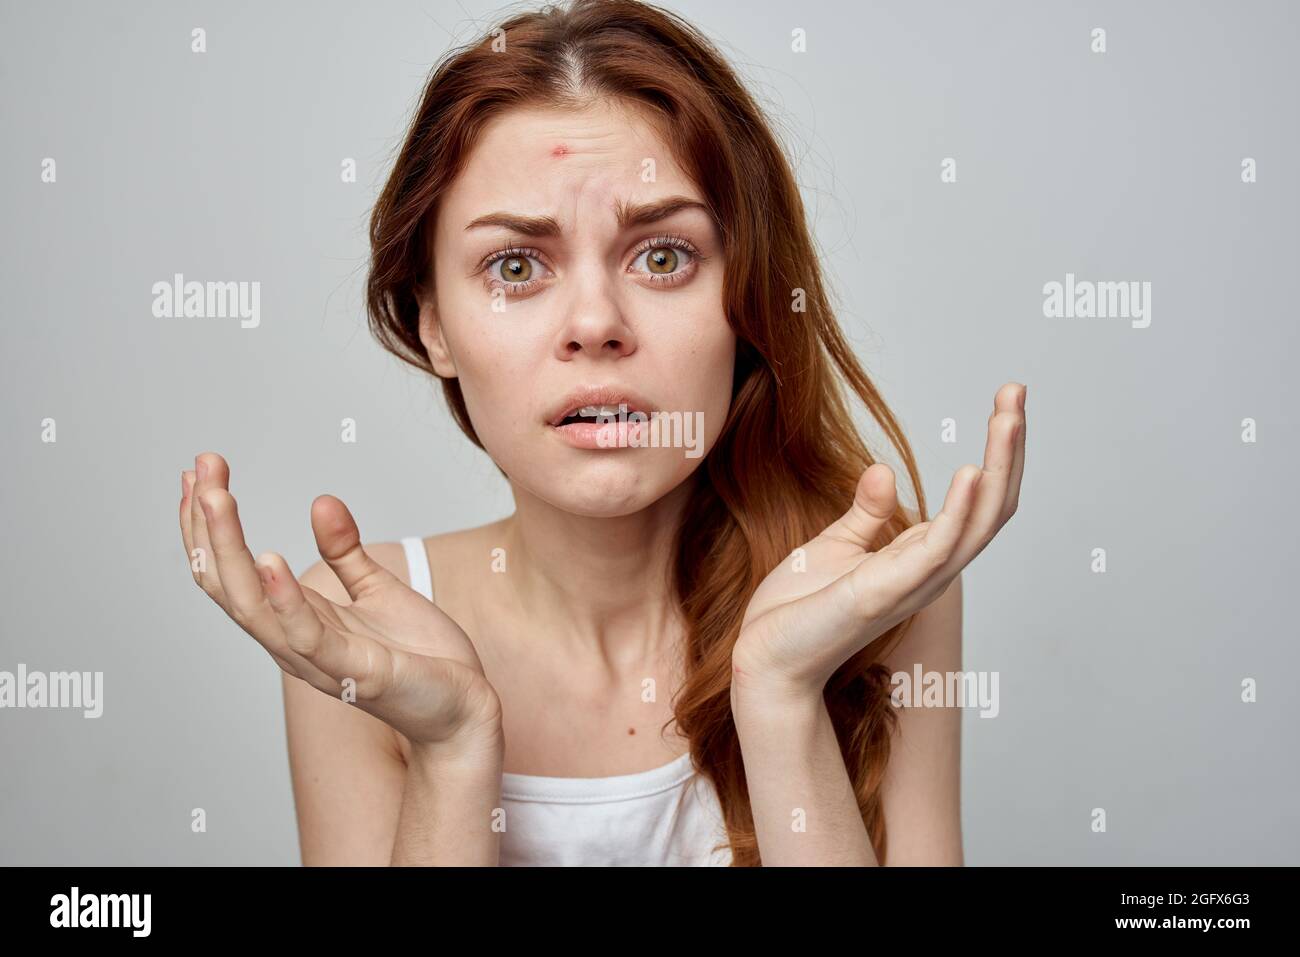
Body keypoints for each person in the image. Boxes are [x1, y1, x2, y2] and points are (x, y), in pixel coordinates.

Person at [178, 0, 1026, 866]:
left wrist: (778, 697)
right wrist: (453, 747)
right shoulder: (360, 629)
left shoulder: (877, 594)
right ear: (434, 325)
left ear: (750, 302)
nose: (595, 323)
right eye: (516, 266)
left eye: (663, 256)